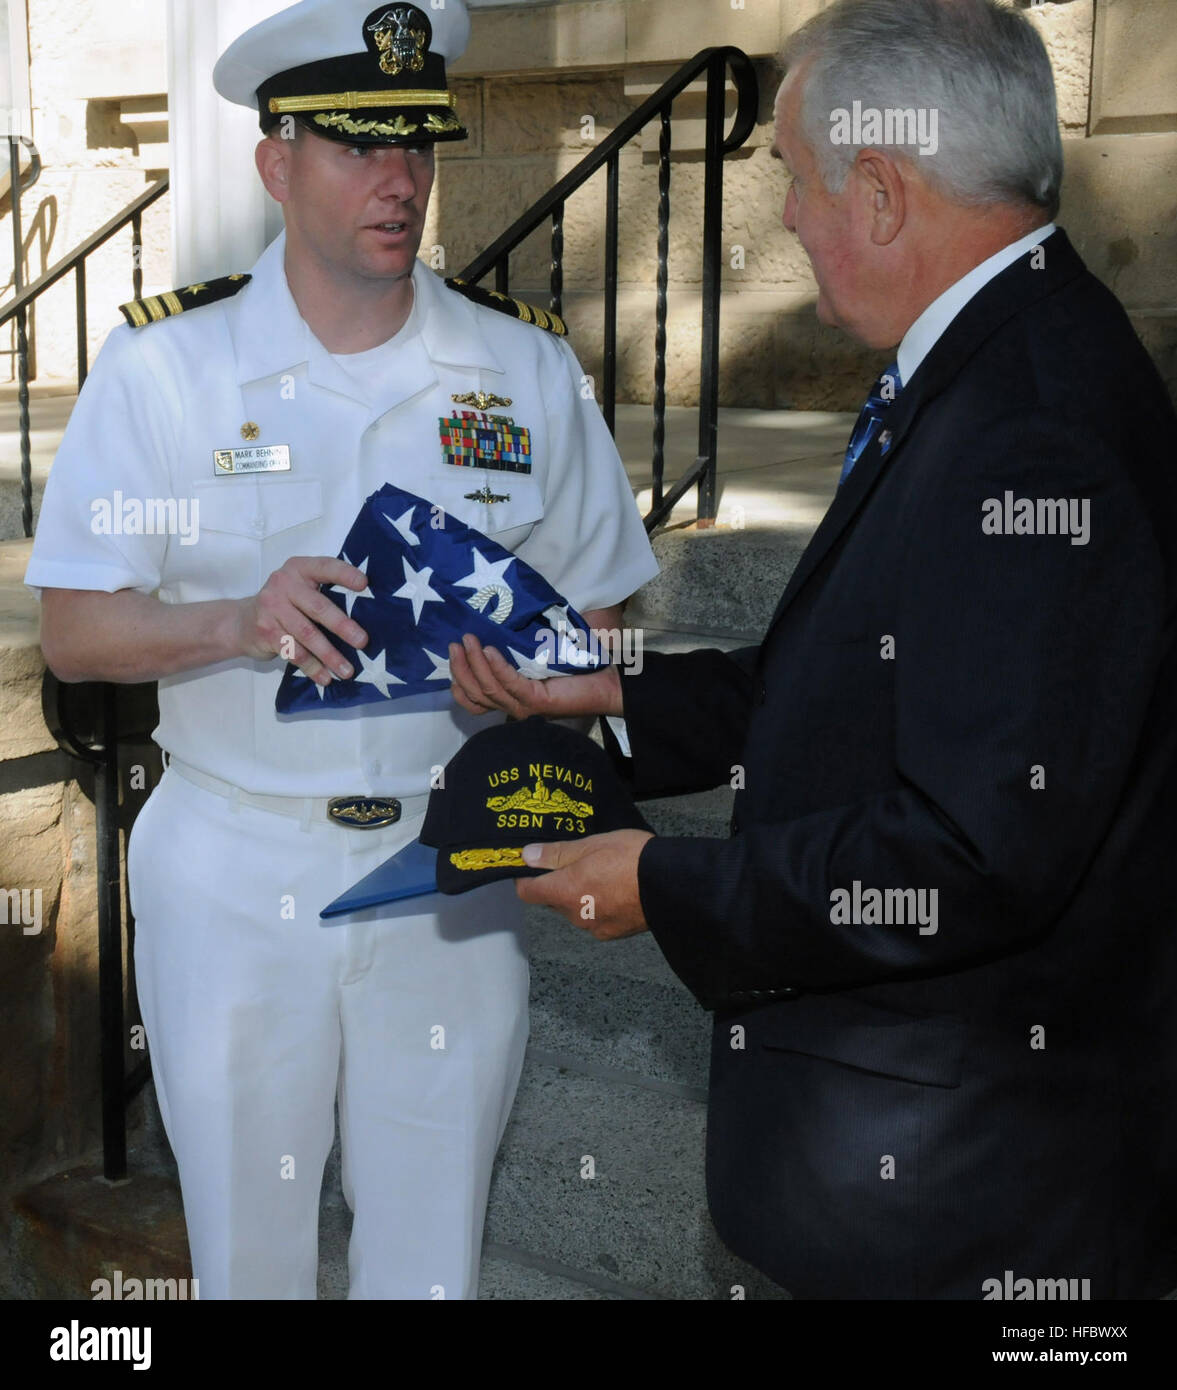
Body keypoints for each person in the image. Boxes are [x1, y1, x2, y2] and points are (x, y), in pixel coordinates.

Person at [450, 0, 1177, 1300]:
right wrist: (608, 696)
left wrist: (663, 884)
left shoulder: (1028, 430)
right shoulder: (988, 359)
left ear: (884, 191)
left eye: (793, 172)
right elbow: (869, 678)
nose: (785, 214)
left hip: (966, 1201)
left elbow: (968, 849)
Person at [26, 0, 658, 1300]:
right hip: (234, 868)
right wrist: (234, 618)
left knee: (430, 1265)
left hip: (446, 871)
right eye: (360, 146)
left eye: (417, 144)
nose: (401, 179)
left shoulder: (522, 368)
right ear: (274, 162)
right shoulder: (166, 365)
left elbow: (610, 618)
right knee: (250, 1265)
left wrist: (549, 682)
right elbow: (76, 629)